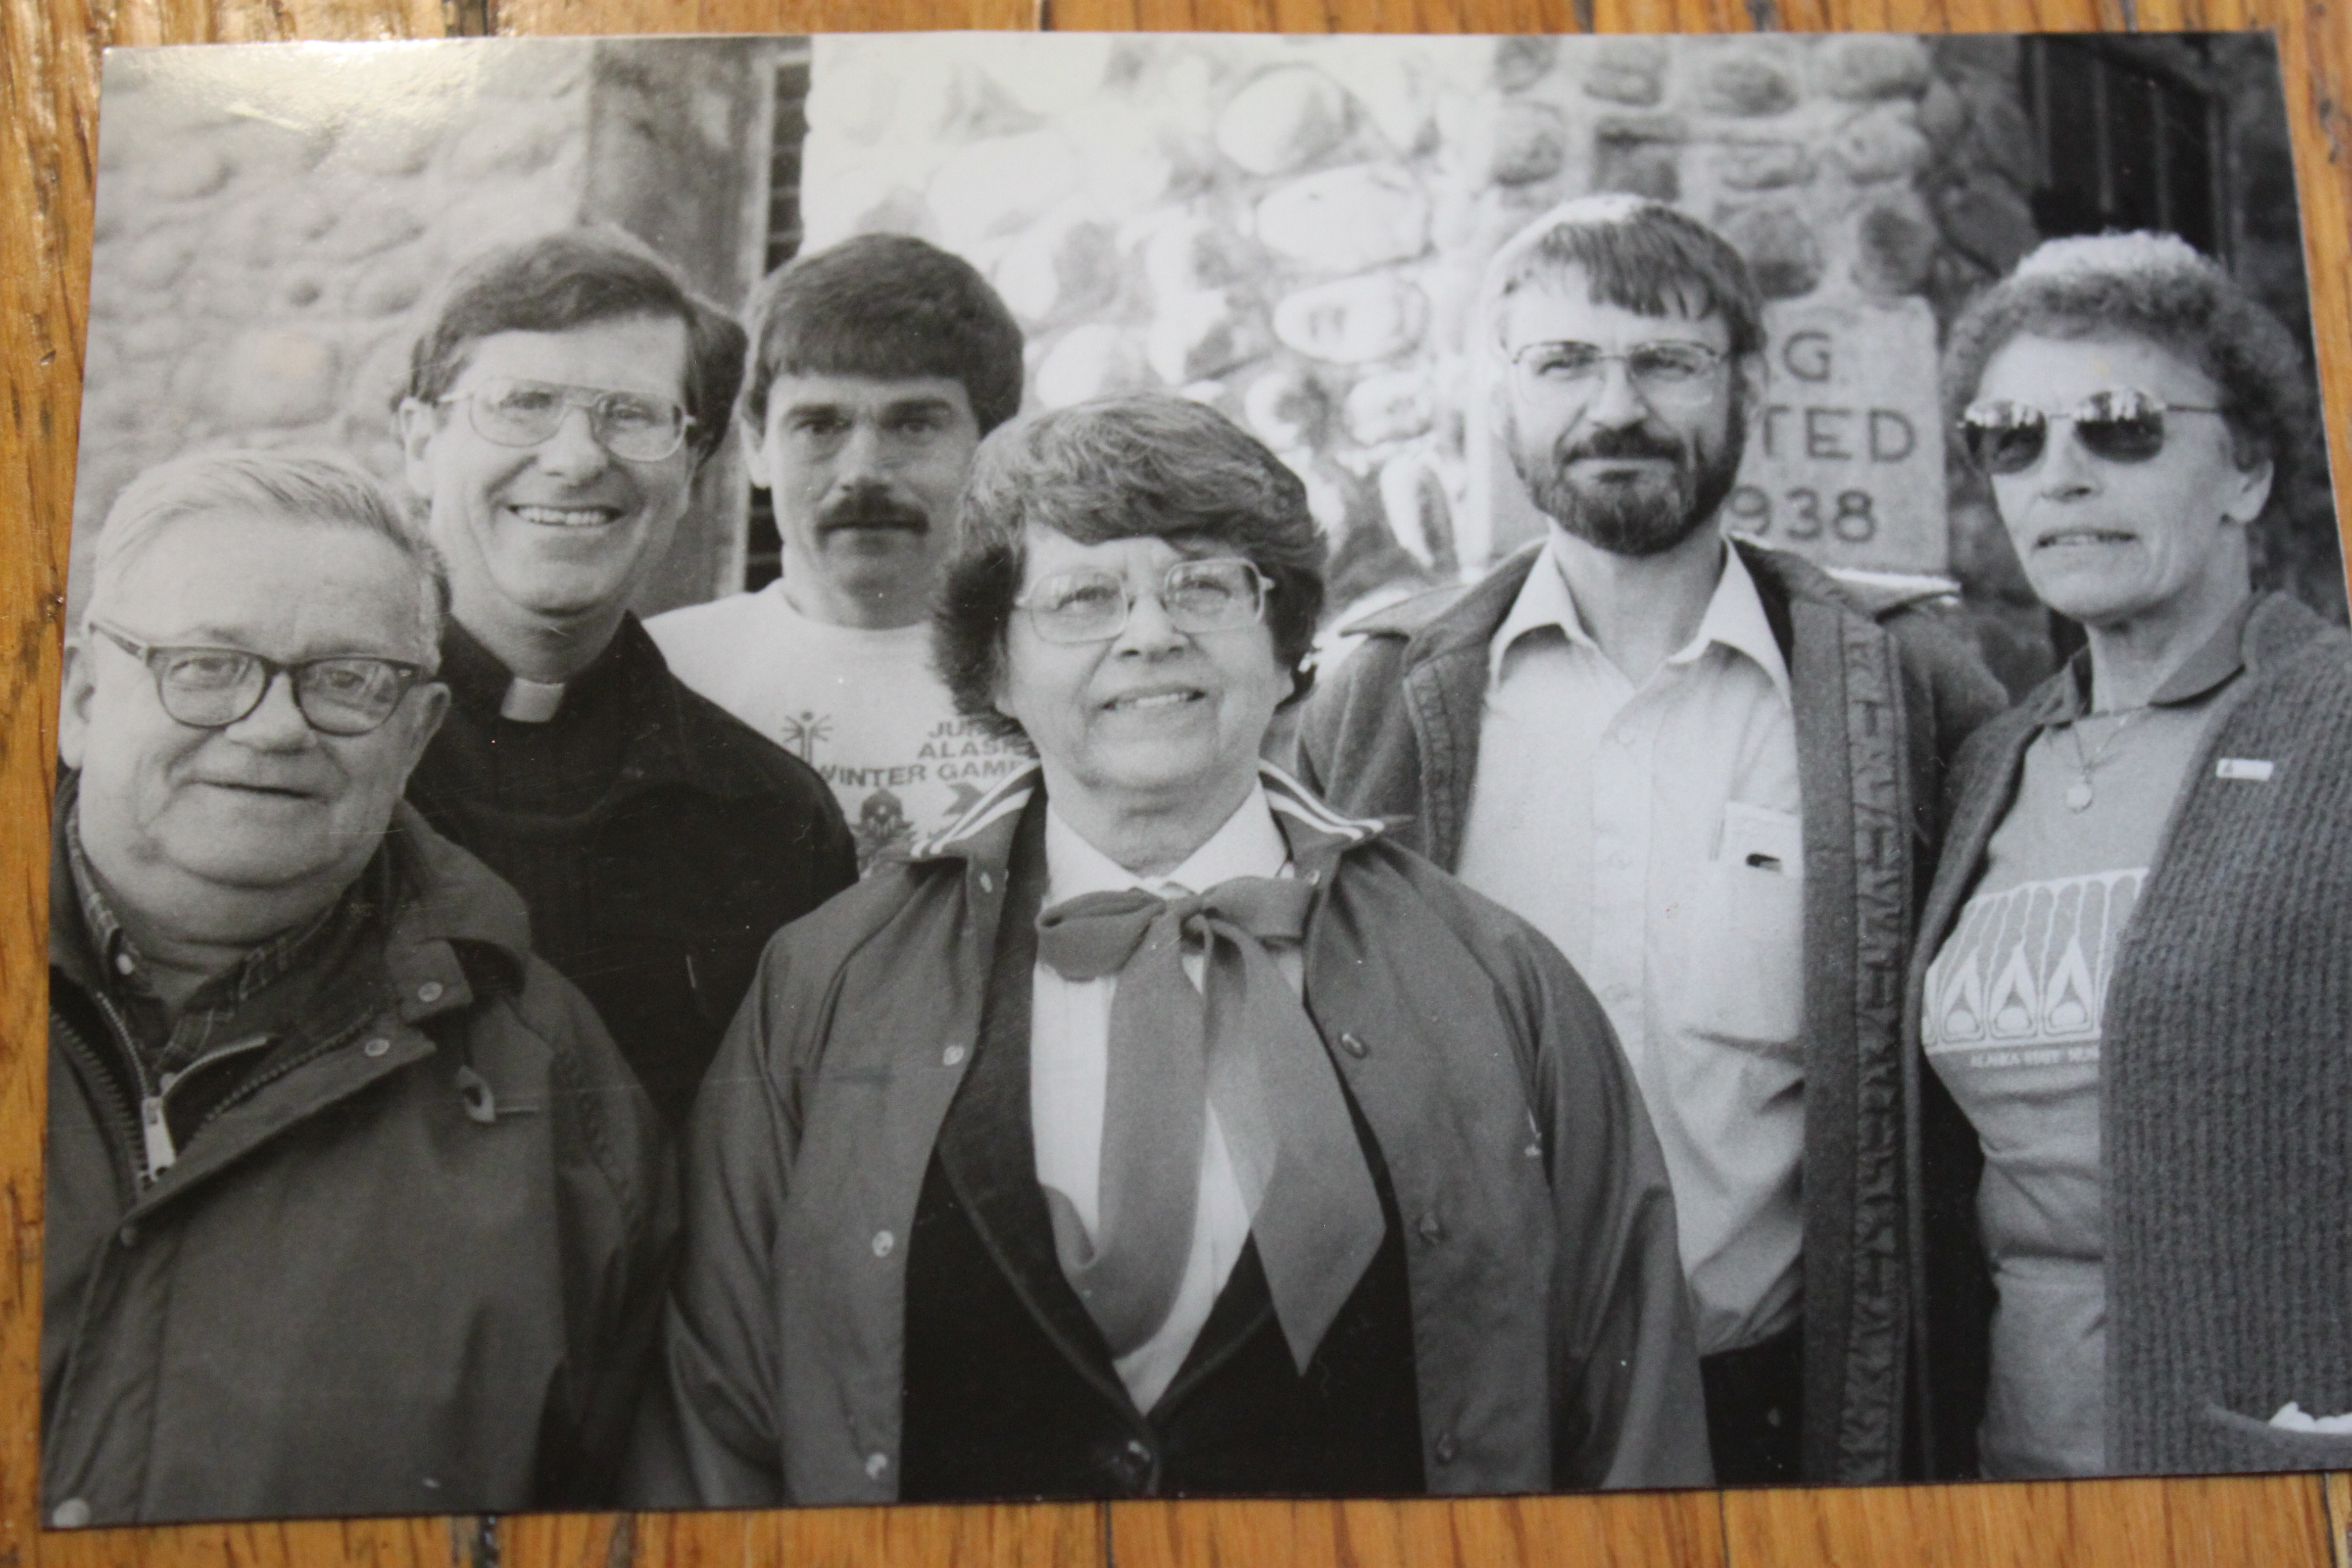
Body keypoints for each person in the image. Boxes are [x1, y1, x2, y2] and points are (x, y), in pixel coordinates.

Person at [637, 394, 1709, 1505]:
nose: (1150, 634)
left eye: (1205, 586)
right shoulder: (826, 986)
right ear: (994, 667)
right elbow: (715, 1425)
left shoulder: (1497, 982)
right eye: (1083, 597)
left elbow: (1635, 1432)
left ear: (1286, 646)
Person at [1295, 196, 2008, 1485]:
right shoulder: (1377, 703)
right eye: (1564, 362)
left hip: (1781, 1425)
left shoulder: (1903, 692)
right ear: (1501, 396)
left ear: (1749, 389)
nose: (1615, 409)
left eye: (1667, 362)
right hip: (1466, 1434)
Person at [42, 452, 674, 1524]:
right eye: (207, 665)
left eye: (348, 680)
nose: (274, 726)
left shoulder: (554, 1089)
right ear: (83, 697)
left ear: (417, 732)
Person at [1911, 232, 2352, 1479]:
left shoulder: (2333, 723)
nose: (2060, 477)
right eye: (2012, 439)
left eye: (2120, 429)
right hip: (2010, 1470)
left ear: (2247, 470)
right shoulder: (1990, 764)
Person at [396, 230, 857, 1128]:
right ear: (421, 444)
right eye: (523, 404)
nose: (576, 459)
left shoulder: (772, 819)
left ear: (691, 470)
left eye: (632, 415)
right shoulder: (308, 757)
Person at [647, 234, 1029, 871]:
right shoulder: (665, 674)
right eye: (820, 426)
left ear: (991, 445)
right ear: (757, 448)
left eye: (914, 424)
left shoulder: (1057, 664)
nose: (864, 472)